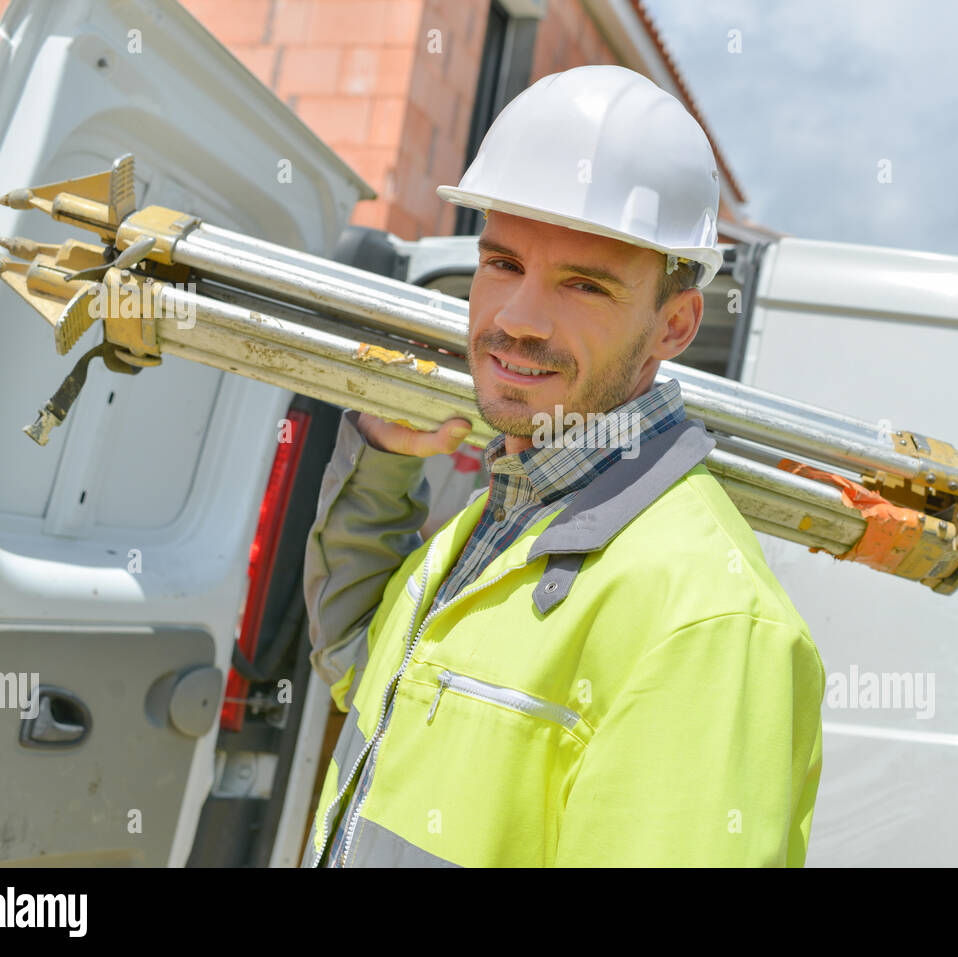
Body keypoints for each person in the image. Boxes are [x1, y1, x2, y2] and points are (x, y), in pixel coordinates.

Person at [300, 64, 824, 867]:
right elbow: (366, 674)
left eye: (583, 285)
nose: (516, 320)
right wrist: (378, 466)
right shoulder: (503, 516)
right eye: (503, 263)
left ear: (675, 326)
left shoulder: (709, 621)